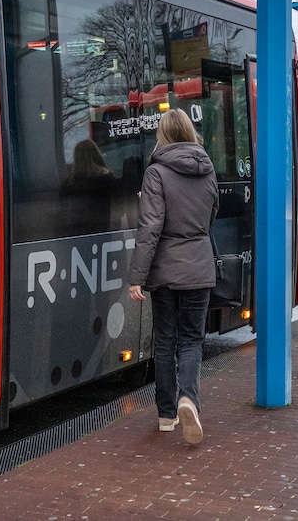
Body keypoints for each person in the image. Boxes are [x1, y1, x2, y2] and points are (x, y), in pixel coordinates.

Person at [127, 108, 219, 445]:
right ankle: (188, 399)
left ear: (163, 135)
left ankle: (166, 415)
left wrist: (136, 276)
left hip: (165, 268)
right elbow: (210, 214)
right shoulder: (207, 169)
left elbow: (150, 227)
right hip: (198, 264)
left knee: (165, 340)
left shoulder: (156, 172)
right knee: (192, 339)